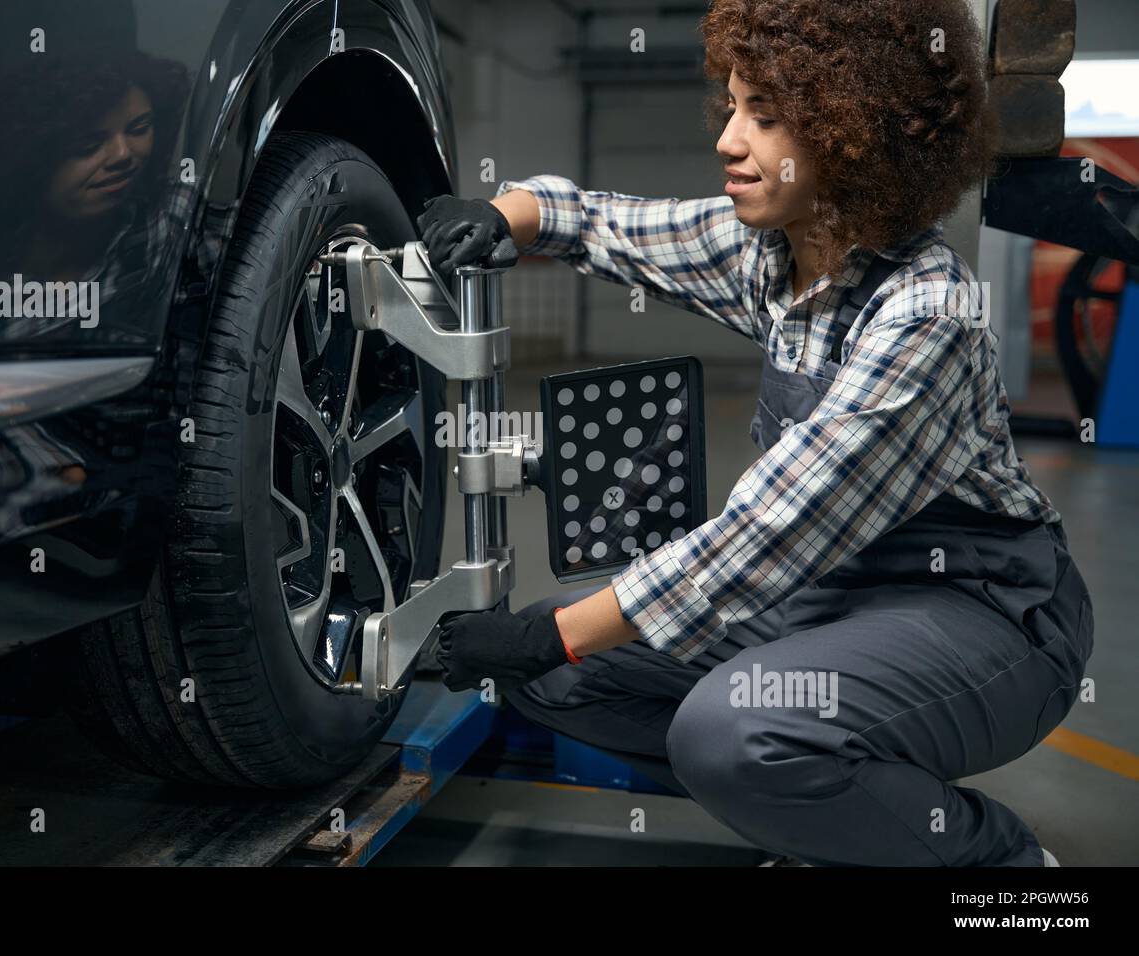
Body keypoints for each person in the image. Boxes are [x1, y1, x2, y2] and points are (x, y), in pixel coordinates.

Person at [418, 0, 1093, 867]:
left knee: (726, 730)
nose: (728, 140)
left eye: (763, 118)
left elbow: (764, 538)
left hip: (982, 615)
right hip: (831, 598)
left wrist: (550, 630)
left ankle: (994, 864)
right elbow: (607, 222)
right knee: (547, 673)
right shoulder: (775, 252)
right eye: (733, 106)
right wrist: (504, 213)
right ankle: (820, 801)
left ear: (856, 134)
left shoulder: (926, 318)